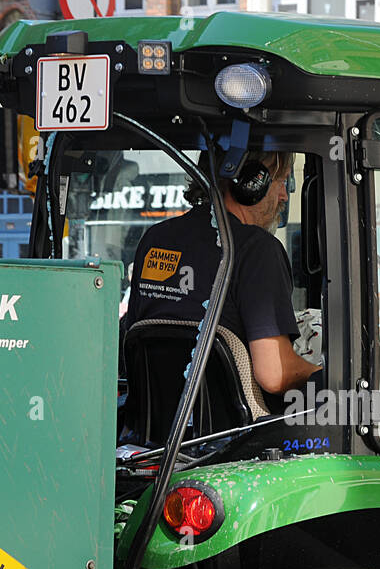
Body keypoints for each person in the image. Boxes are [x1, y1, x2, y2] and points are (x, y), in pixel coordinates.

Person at [122, 151, 320, 403]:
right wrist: (326, 374)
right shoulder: (257, 249)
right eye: (281, 181)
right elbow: (274, 374)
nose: (283, 196)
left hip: (156, 434)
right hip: (230, 436)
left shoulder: (154, 239)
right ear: (250, 183)